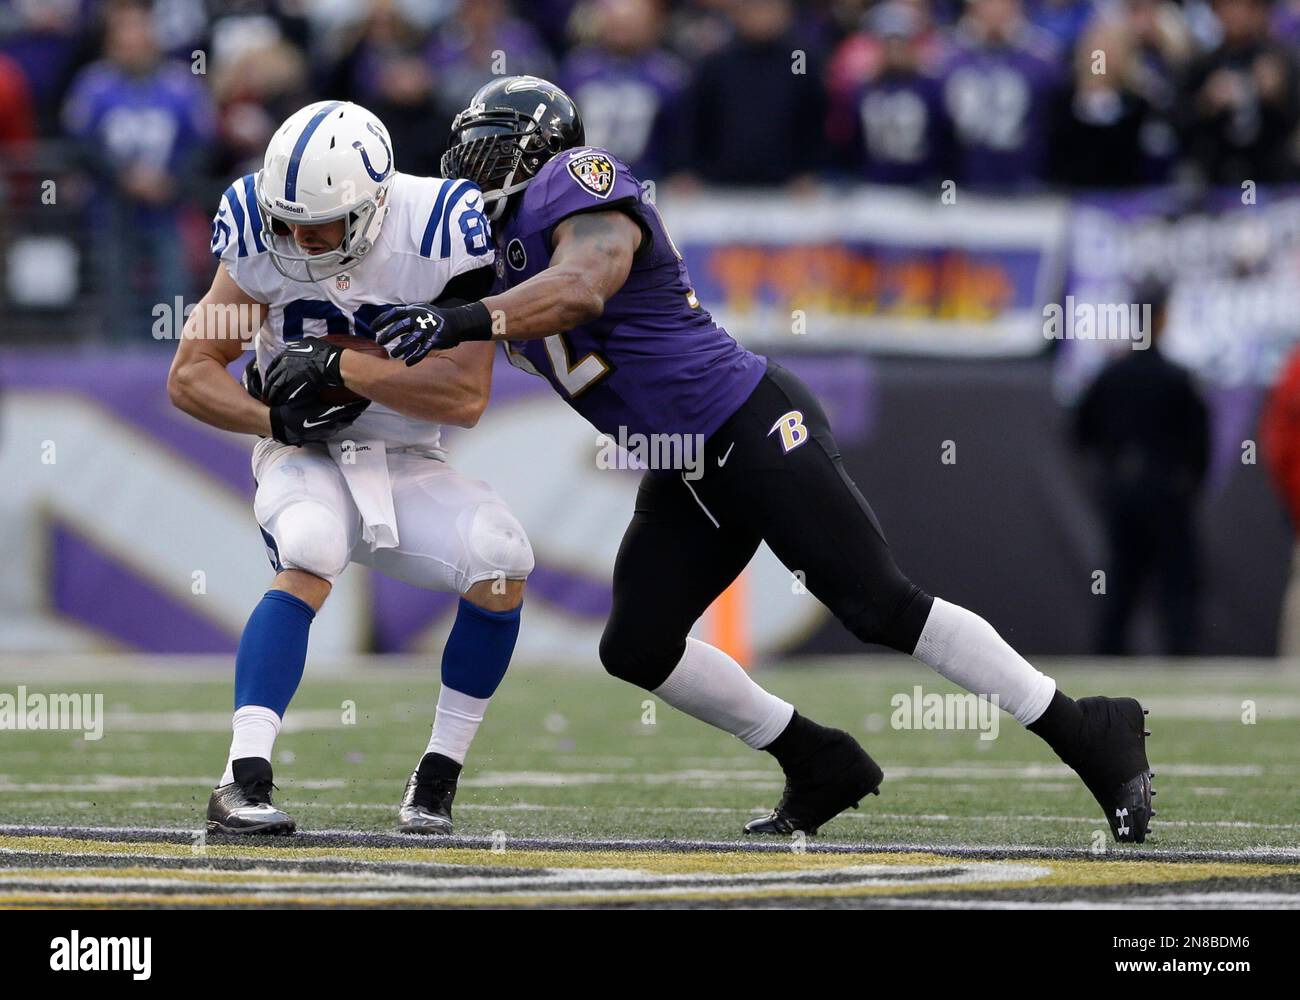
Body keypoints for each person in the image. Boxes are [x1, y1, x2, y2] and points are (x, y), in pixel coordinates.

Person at [276, 77, 1155, 842]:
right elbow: (421, 322)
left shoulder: (572, 185)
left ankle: (1089, 729)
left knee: (879, 605)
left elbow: (583, 282)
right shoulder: (481, 249)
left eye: (485, 148)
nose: (466, 166)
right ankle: (818, 760)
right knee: (638, 643)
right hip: (682, 461)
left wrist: (464, 320)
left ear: (531, 151)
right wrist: (327, 355)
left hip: (746, 420)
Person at [167, 100, 534, 836]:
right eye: (287, 223)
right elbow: (191, 373)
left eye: (321, 226)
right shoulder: (255, 229)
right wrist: (273, 418)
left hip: (407, 453)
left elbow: (464, 396)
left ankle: (435, 781)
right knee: (309, 546)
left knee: (502, 559)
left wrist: (344, 367)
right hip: (301, 452)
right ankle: (241, 779)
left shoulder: (438, 226)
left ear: (372, 206)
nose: (299, 241)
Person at [1073, 285, 1209, 656]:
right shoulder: (1176, 378)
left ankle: (1106, 664)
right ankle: (1182, 663)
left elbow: (1081, 433)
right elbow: (1200, 446)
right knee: (1176, 585)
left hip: (1123, 491)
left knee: (1121, 584)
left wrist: (1112, 472)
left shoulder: (1111, 375)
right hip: (1166, 493)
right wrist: (1184, 484)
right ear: (1163, 318)